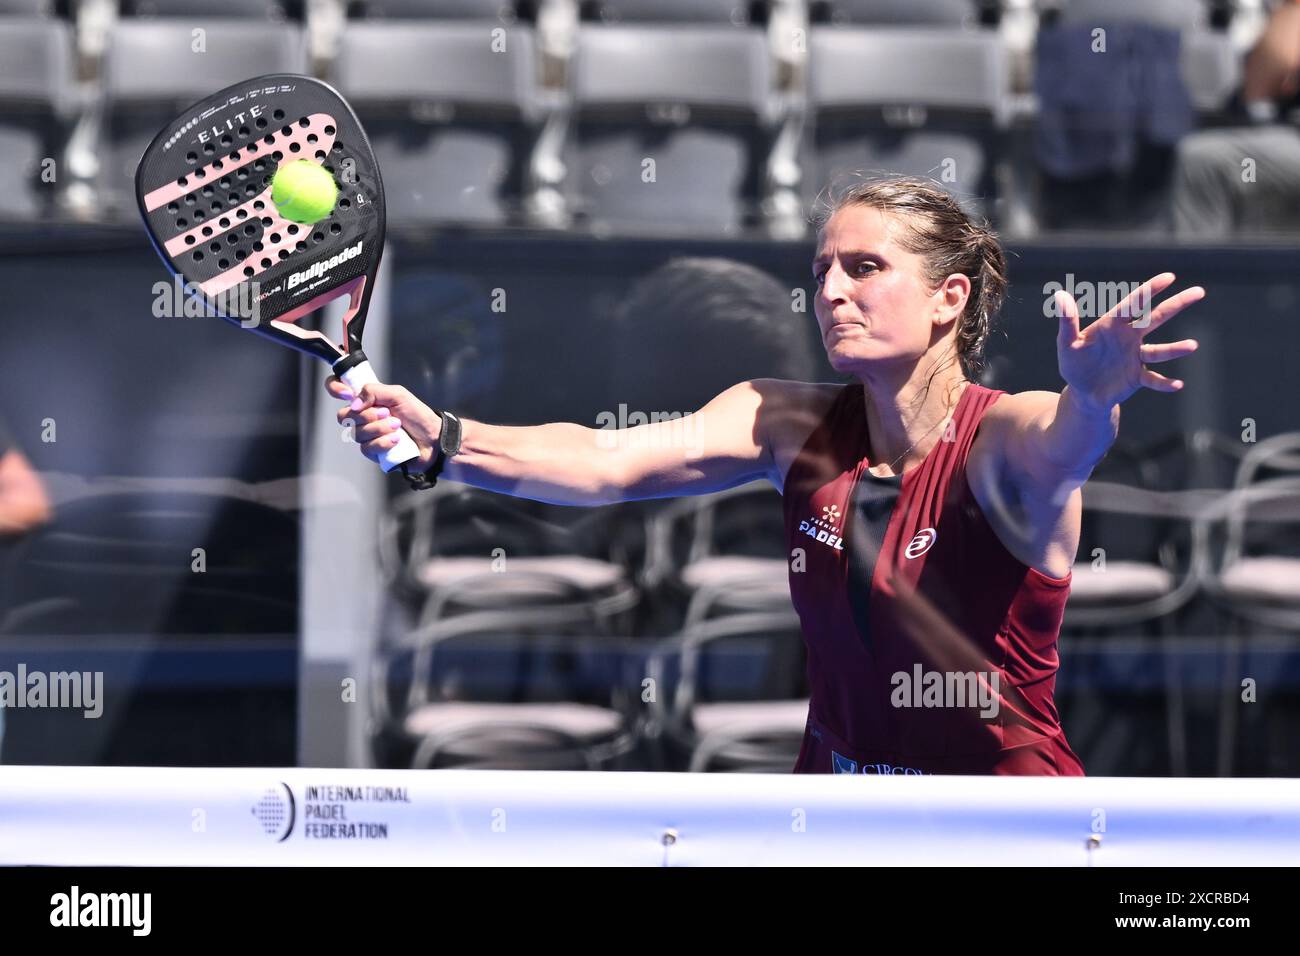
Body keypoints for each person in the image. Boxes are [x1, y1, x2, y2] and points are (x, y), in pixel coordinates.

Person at [325, 176, 1205, 775]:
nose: (830, 291)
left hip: (1000, 827)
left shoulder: (1001, 442)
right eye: (821, 270)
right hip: (831, 815)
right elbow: (605, 462)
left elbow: (1067, 444)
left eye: (865, 268)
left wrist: (1092, 396)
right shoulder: (786, 421)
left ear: (951, 298)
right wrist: (445, 434)